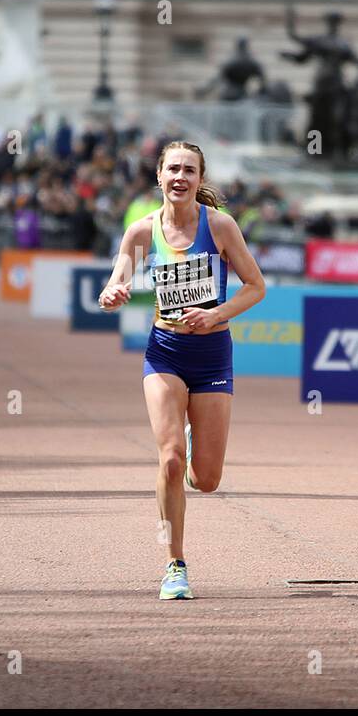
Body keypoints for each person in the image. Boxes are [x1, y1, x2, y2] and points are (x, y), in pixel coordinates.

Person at [98, 141, 266, 600]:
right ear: (159, 176)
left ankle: (194, 449)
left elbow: (256, 287)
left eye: (189, 170)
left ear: (199, 179)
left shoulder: (221, 226)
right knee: (169, 458)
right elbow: (118, 280)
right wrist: (112, 294)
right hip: (165, 352)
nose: (180, 177)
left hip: (212, 354)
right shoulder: (141, 231)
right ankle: (175, 564)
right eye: (173, 168)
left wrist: (216, 315)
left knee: (206, 480)